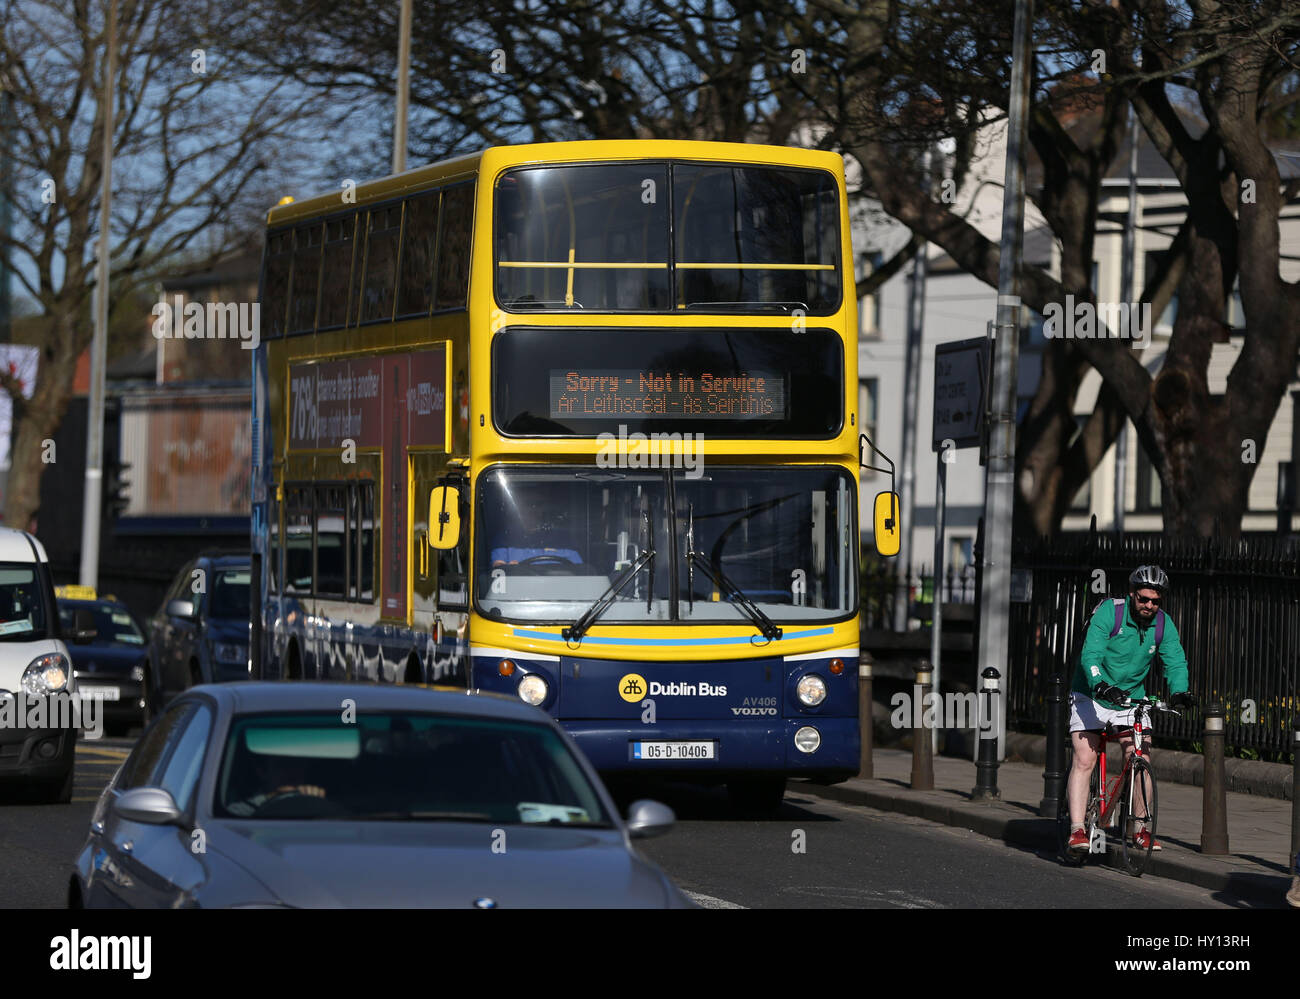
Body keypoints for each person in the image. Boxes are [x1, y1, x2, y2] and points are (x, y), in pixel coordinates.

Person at [1066, 565, 1196, 853]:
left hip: (1130, 696)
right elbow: (1091, 654)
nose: (1149, 605)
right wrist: (1099, 683)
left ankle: (1140, 829)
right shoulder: (1110, 613)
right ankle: (1076, 830)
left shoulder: (1163, 623)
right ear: (1132, 595)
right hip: (1092, 692)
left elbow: (1174, 661)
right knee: (1085, 758)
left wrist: (1179, 692)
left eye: (1155, 601)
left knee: (1141, 756)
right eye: (1143, 599)